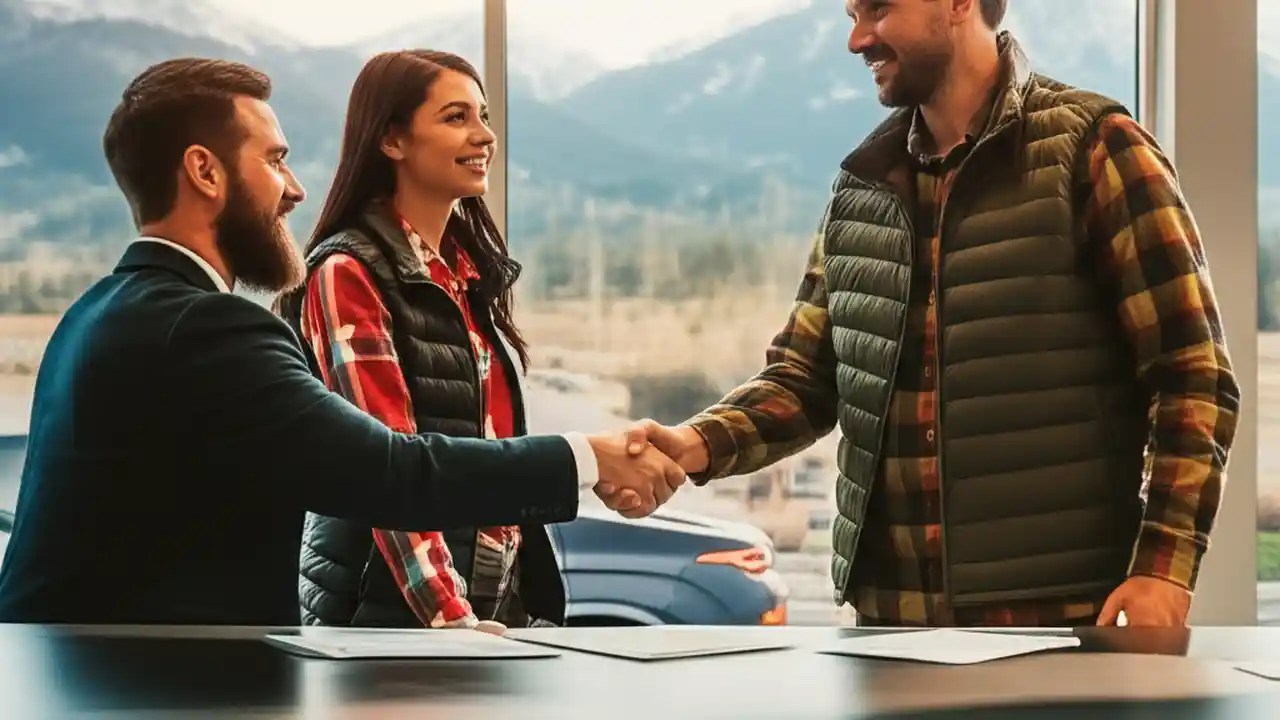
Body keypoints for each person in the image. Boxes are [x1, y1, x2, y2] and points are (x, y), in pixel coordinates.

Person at [620, 0, 1239, 628]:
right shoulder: (862, 187)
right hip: (889, 630)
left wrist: (1163, 571)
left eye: (880, 9)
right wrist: (690, 444)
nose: (857, 39)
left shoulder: (1098, 151)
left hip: (1062, 623)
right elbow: (804, 381)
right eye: (853, 14)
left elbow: (1193, 376)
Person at [0, 57, 683, 626]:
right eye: (274, 162)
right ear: (205, 172)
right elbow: (387, 472)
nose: (295, 189)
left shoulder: (93, 314)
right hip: (151, 692)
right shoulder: (210, 330)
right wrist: (588, 458)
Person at [273, 50, 563, 631]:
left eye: (483, 115)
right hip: (391, 618)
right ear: (391, 141)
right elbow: (384, 467)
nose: (484, 135)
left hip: (485, 608)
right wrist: (448, 617)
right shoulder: (346, 273)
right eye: (456, 117)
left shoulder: (467, 274)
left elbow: (489, 442)